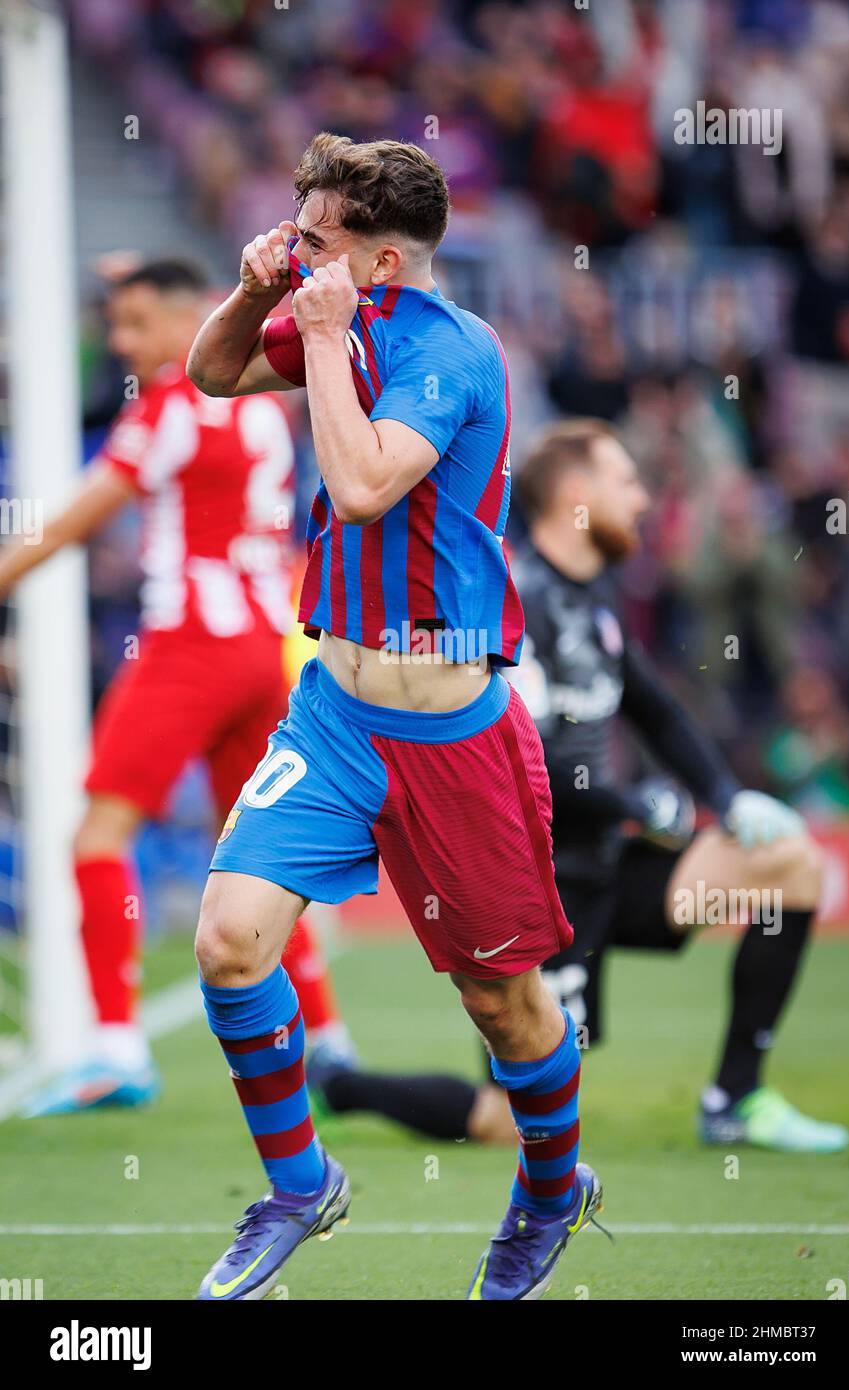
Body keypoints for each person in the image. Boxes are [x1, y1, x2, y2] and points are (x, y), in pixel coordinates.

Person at [186, 132, 602, 1303]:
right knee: (228, 939)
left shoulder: (451, 352)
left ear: (378, 261)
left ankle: (550, 1184)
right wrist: (260, 285)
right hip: (335, 713)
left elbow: (365, 481)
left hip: (453, 732)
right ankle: (298, 1184)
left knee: (502, 1005)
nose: (295, 245)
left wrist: (318, 334)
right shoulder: (334, 316)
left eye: (314, 239)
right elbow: (212, 374)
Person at [311, 420, 849, 1156]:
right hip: (537, 892)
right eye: (625, 481)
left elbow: (653, 708)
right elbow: (515, 767)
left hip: (610, 871)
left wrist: (727, 797)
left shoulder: (594, 600)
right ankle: (344, 1085)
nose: (641, 498)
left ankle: (734, 1098)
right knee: (508, 1122)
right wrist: (638, 805)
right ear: (575, 496)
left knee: (790, 866)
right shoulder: (514, 601)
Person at [0, 259, 347, 1114]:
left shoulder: (166, 405)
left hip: (190, 647)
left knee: (95, 836)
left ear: (190, 316)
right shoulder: (266, 409)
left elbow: (76, 522)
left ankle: (115, 1048)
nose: (123, 341)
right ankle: (330, 1042)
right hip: (267, 650)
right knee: (261, 859)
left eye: (138, 321)